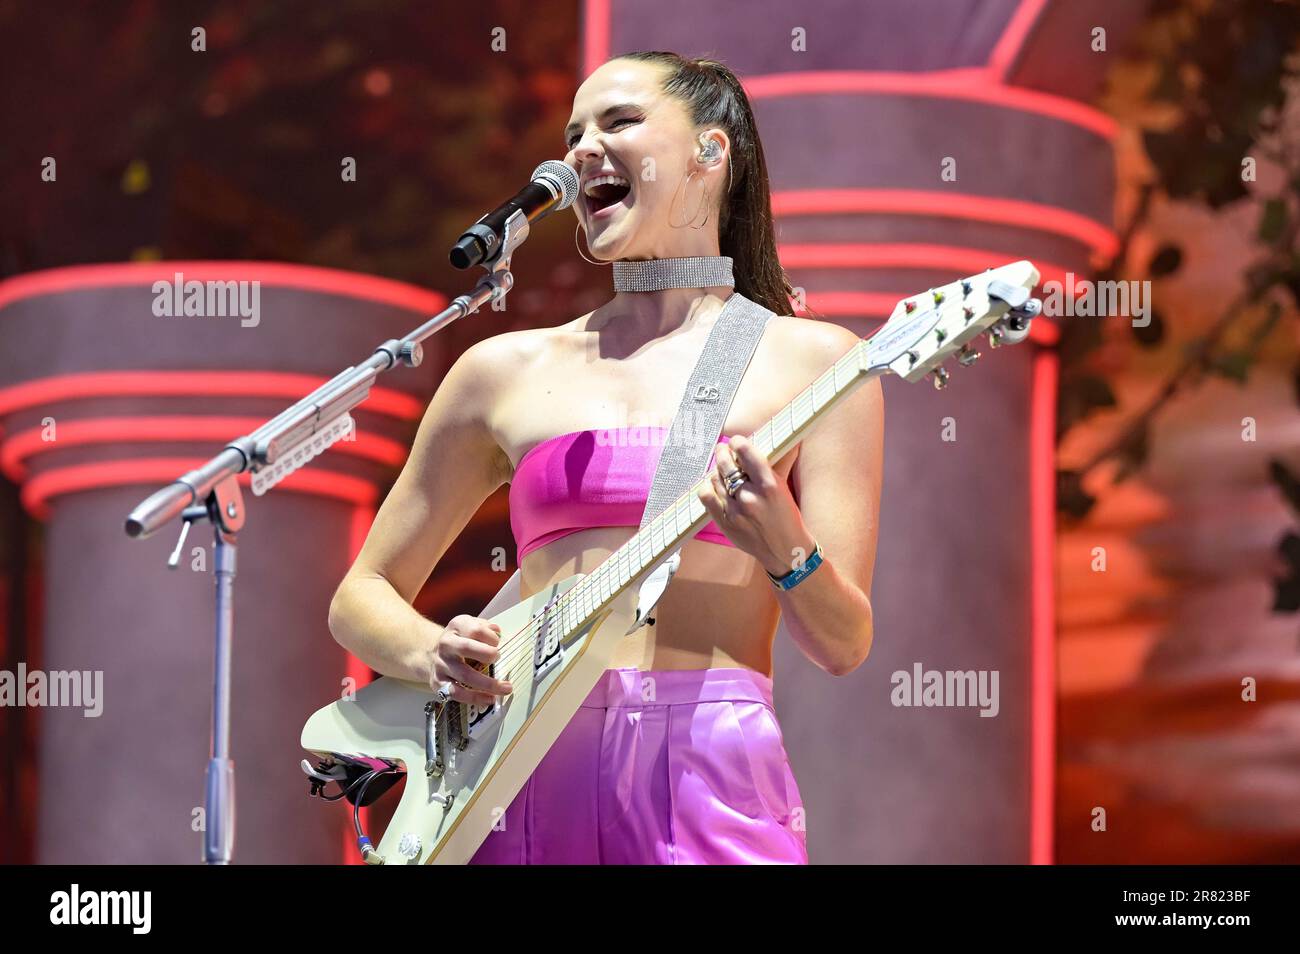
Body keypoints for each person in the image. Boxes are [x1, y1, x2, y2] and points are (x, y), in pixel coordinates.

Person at [327, 50, 883, 864]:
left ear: (709, 152)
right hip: (515, 761)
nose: (581, 149)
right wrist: (431, 653)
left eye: (619, 123)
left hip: (710, 763)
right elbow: (361, 595)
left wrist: (785, 547)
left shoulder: (816, 361)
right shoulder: (503, 371)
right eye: (572, 132)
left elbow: (844, 644)